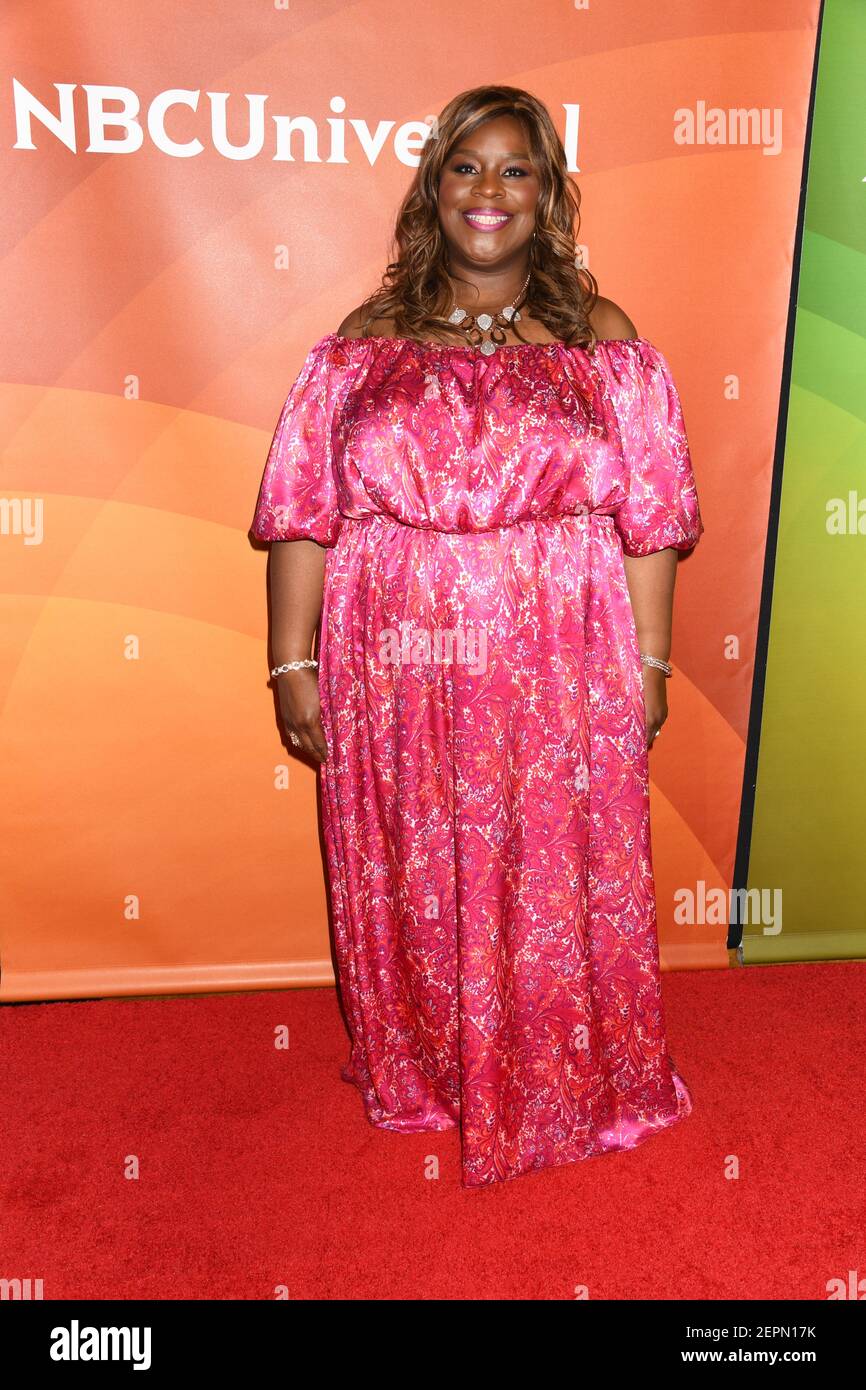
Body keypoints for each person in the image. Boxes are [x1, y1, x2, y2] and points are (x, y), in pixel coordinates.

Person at [250, 84, 704, 1188]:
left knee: (555, 865)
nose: (487, 192)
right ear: (433, 187)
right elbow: (304, 511)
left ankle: (559, 1069)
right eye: (465, 167)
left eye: (513, 169)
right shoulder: (364, 340)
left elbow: (650, 517)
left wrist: (646, 662)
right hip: (392, 647)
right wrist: (292, 660)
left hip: (561, 646)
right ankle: (437, 1067)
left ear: (546, 191)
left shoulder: (603, 338)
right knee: (417, 855)